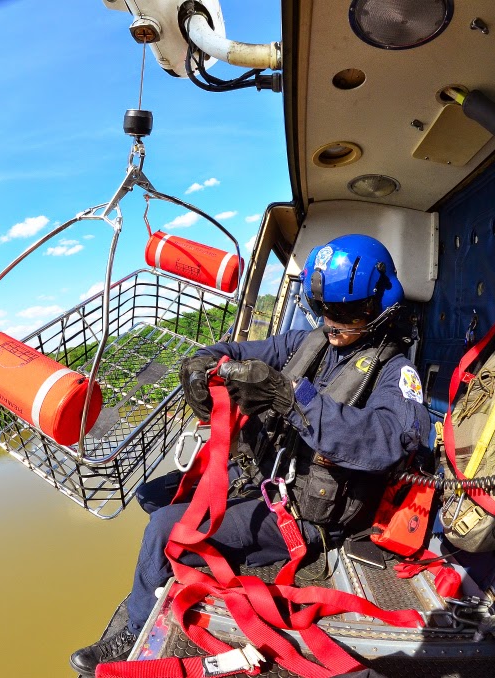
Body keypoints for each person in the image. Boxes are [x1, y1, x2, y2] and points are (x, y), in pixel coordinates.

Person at [69, 234, 431, 675]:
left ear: (381, 306)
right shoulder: (306, 343)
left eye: (350, 314)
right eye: (327, 312)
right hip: (261, 475)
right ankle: (189, 564)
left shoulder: (397, 372)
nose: (335, 326)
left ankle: (134, 636)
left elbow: (391, 440)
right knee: (152, 495)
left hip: (302, 515)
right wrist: (203, 362)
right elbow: (238, 351)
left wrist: (290, 398)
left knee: (164, 529)